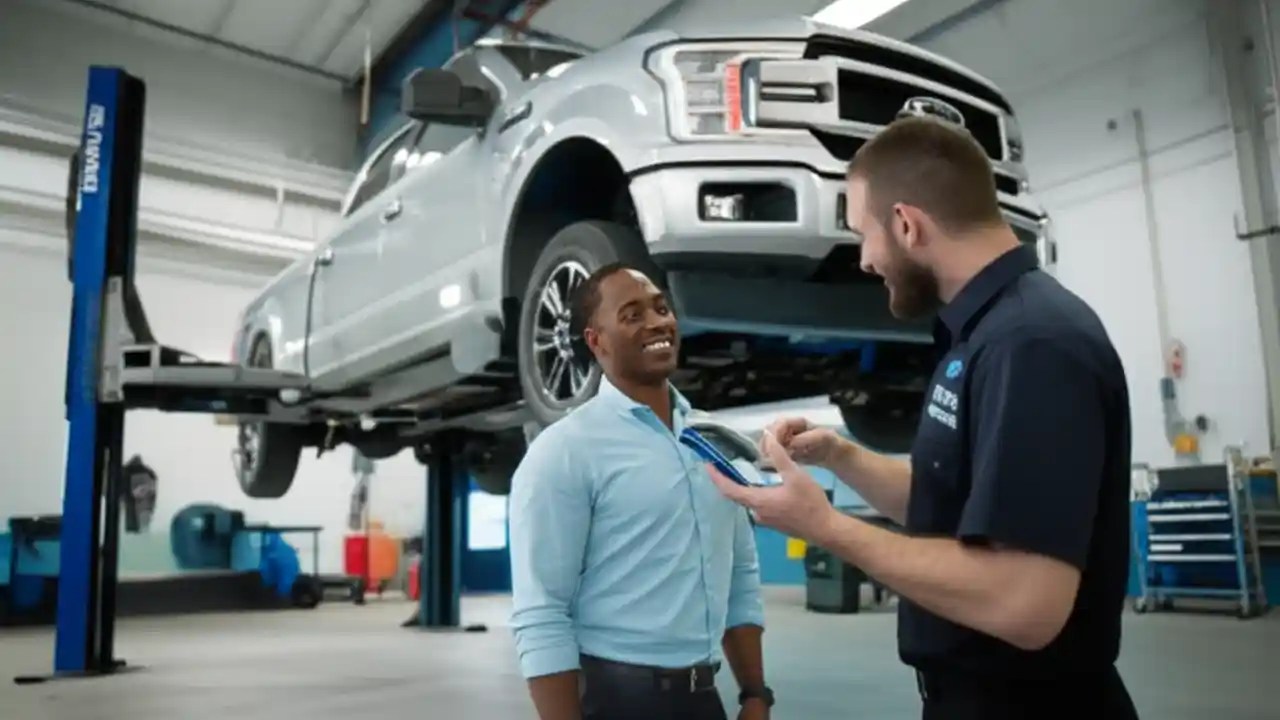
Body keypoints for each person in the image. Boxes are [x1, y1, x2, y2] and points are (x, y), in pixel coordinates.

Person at [708, 116, 1139, 719]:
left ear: (908, 225)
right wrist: (840, 454)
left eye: (864, 234)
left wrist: (827, 527)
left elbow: (1024, 602)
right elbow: (959, 505)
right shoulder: (983, 332)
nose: (863, 259)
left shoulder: (1031, 343)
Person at [508, 263, 773, 720]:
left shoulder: (713, 440)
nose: (657, 323)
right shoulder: (566, 451)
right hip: (616, 701)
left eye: (661, 307)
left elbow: (741, 575)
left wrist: (754, 693)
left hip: (703, 699)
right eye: (632, 315)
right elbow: (542, 612)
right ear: (597, 341)